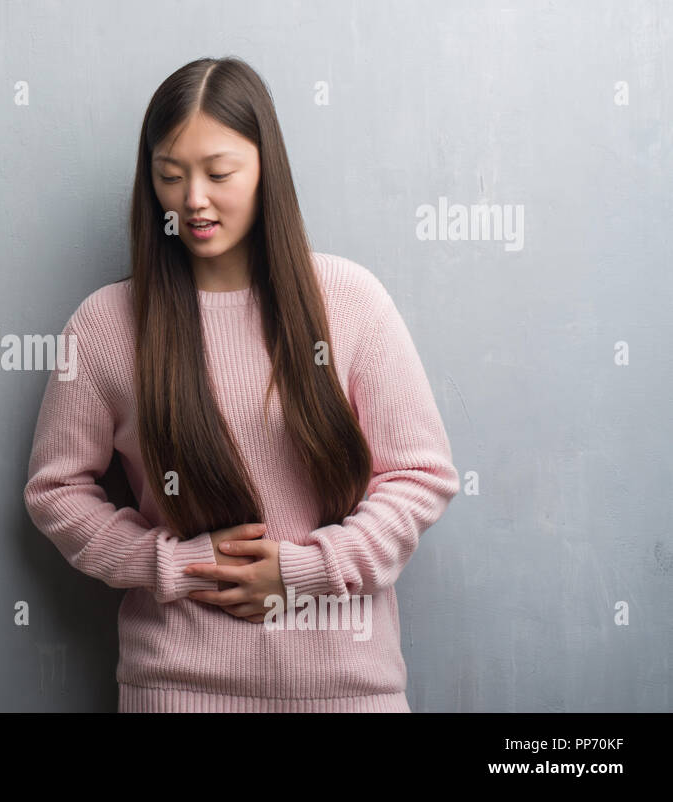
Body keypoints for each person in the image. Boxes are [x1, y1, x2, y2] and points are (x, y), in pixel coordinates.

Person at [23, 56, 460, 712]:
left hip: (349, 690)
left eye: (218, 173)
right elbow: (56, 491)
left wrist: (306, 571)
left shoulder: (349, 301)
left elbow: (422, 477)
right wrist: (168, 565)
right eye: (170, 176)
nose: (193, 199)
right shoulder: (106, 325)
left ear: (266, 171)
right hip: (178, 689)